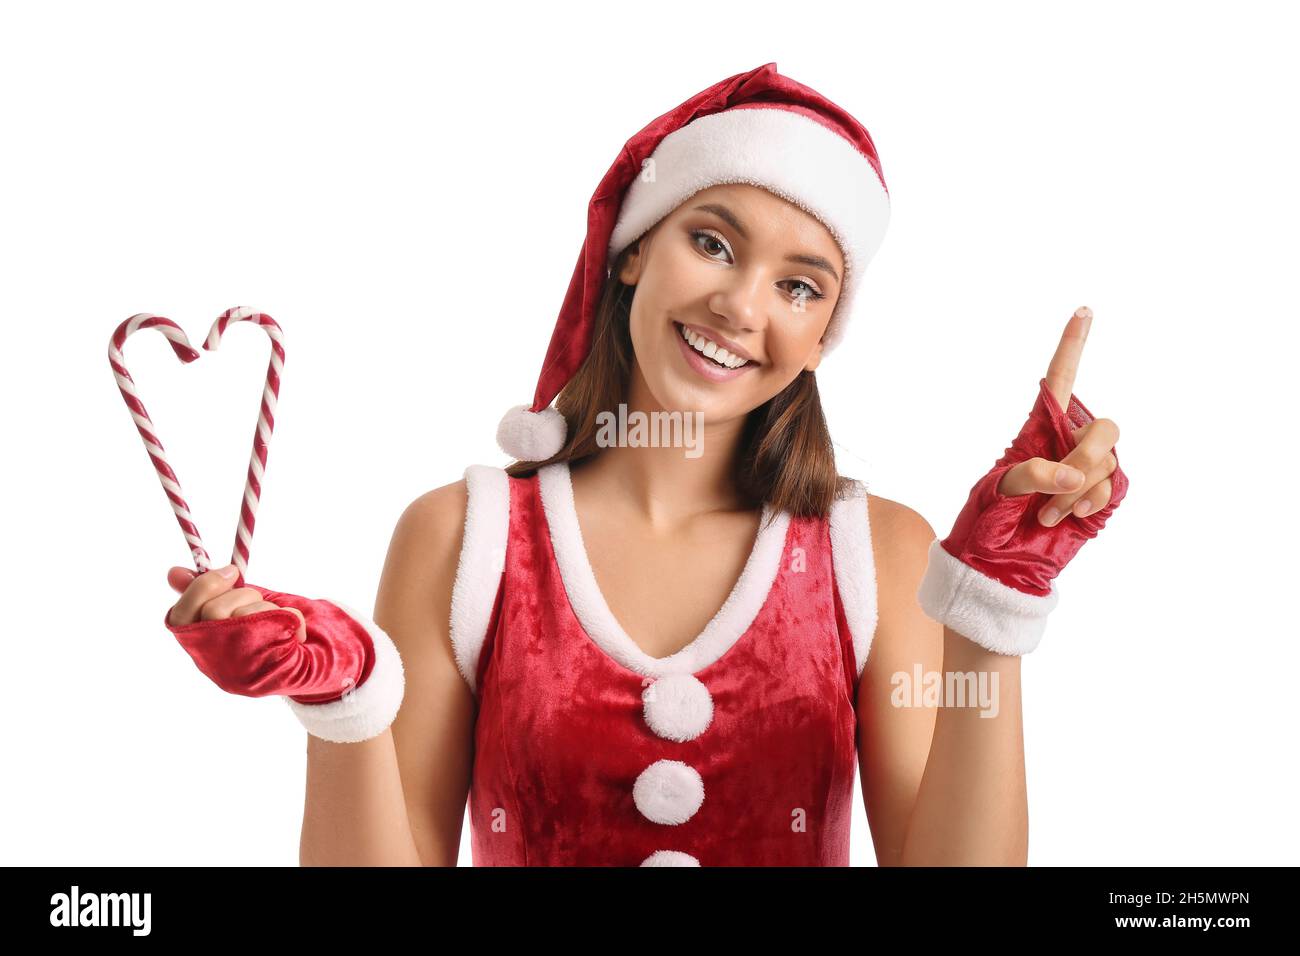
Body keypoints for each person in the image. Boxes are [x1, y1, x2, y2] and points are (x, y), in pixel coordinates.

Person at [162, 62, 1127, 866]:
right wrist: (344, 700)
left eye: (800, 285)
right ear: (631, 251)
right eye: (712, 242)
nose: (743, 308)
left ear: (825, 334)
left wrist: (994, 607)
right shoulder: (463, 540)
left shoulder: (877, 551)